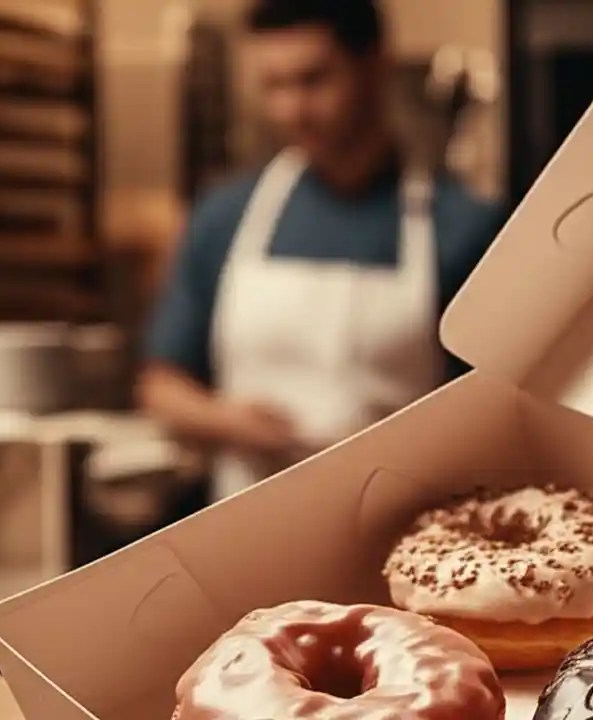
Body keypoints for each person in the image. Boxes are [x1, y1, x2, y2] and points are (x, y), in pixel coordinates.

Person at [139, 0, 505, 503]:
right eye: (273, 86)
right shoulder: (225, 217)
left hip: (402, 524)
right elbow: (162, 386)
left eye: (313, 80)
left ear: (376, 66)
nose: (292, 109)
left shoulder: (463, 226)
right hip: (246, 522)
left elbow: (496, 413)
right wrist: (231, 421)